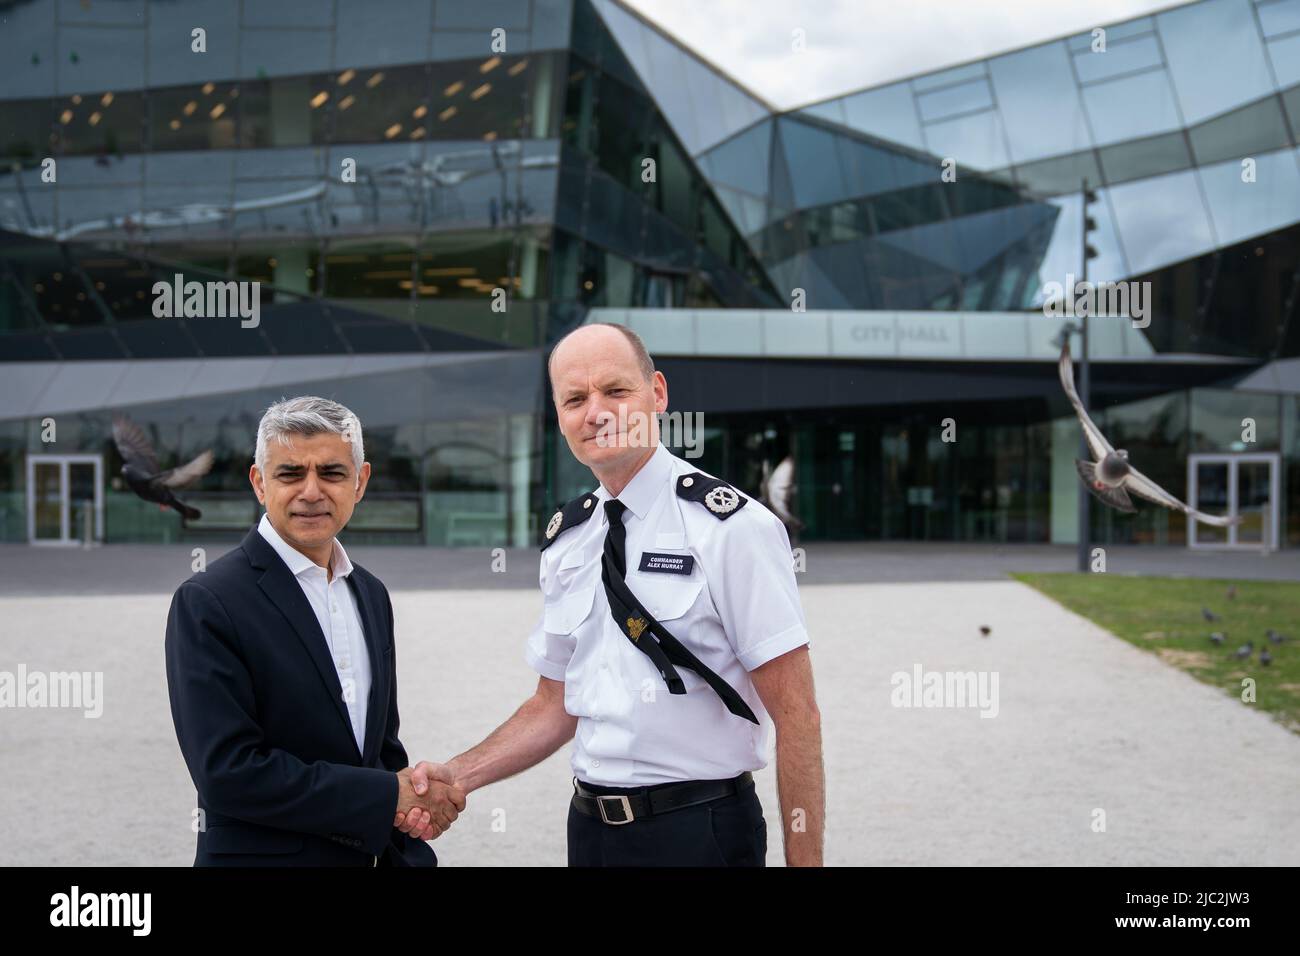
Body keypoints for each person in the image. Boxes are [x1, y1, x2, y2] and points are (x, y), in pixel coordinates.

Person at [400, 324, 825, 866]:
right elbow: (554, 705)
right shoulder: (568, 539)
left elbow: (798, 716)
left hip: (699, 832)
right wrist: (455, 776)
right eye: (575, 399)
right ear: (560, 417)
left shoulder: (731, 529)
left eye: (615, 390)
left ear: (658, 393)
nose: (596, 411)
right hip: (591, 833)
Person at [164, 396, 463, 865]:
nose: (311, 491)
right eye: (289, 474)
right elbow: (227, 774)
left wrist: (412, 813)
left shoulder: (371, 595)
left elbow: (380, 752)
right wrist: (389, 796)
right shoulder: (208, 602)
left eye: (331, 473)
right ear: (259, 483)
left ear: (360, 482)